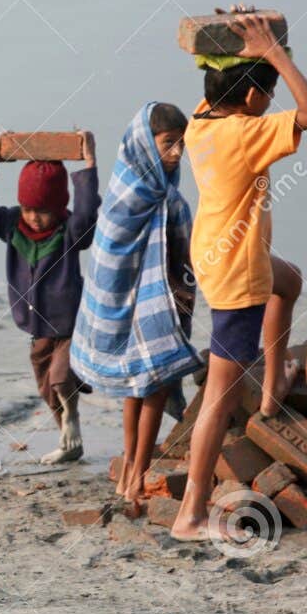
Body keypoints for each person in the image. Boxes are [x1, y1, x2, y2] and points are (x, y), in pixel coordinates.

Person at [171, 7, 307, 543]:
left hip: (220, 250)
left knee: (290, 281)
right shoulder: (244, 134)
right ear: (255, 99)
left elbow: (217, 74)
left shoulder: (202, 120)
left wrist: (237, 37)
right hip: (237, 274)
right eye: (266, 91)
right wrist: (277, 54)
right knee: (219, 394)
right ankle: (190, 514)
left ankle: (272, 390)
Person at [70, 102, 201, 509]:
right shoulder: (148, 200)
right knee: (148, 392)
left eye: (182, 144)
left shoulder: (131, 195)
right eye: (168, 144)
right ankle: (136, 474)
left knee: (143, 391)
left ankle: (131, 471)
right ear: (145, 143)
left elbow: (184, 260)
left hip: (161, 310)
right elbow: (108, 264)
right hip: (137, 314)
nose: (176, 153)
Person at [0, 131, 100, 464]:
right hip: (37, 328)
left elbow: (85, 213)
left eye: (42, 210)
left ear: (58, 208)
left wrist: (89, 161)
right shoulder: (12, 225)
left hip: (71, 324)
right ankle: (70, 439)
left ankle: (71, 421)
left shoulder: (69, 231)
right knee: (46, 388)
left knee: (60, 377)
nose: (34, 216)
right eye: (28, 208)